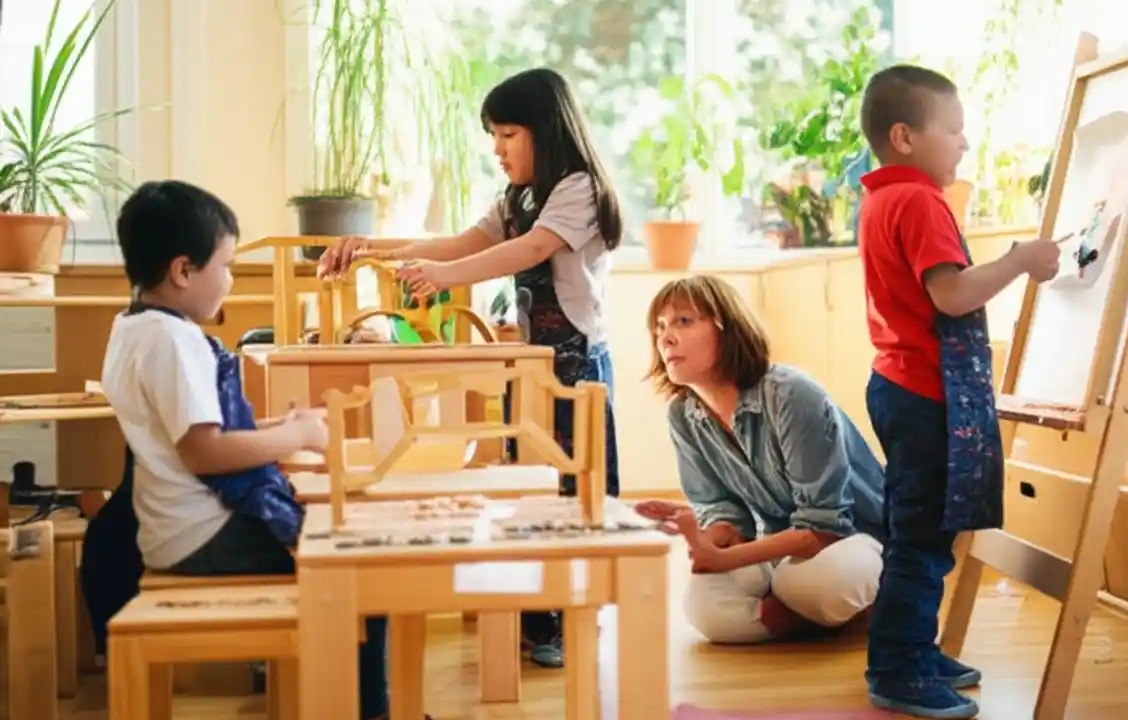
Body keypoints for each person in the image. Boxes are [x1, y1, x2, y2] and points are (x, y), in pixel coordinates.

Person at [317, 67, 623, 668]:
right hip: (530, 365)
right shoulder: (518, 198)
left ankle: (577, 612)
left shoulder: (578, 188)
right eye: (494, 135)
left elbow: (529, 249)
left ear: (545, 129)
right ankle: (542, 619)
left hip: (577, 364)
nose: (497, 148)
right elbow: (460, 243)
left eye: (508, 133)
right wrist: (373, 248)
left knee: (574, 487)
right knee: (532, 485)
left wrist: (446, 278)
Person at [96, 180, 404, 720]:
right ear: (183, 271)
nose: (232, 279)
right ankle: (367, 712)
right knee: (362, 572)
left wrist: (274, 424)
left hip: (174, 527)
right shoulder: (176, 341)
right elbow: (204, 452)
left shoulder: (131, 327)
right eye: (227, 265)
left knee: (338, 544)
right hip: (204, 534)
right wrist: (298, 437)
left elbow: (185, 434)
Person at [856, 65, 1060, 718]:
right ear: (904, 137)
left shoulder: (883, 197)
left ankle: (914, 648)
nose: (964, 143)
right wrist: (1020, 262)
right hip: (923, 396)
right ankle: (897, 667)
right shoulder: (918, 201)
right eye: (954, 129)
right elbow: (951, 293)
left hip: (899, 386)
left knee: (919, 531)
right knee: (921, 539)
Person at [634, 275, 887, 645]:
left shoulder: (791, 394)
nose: (666, 337)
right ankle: (826, 615)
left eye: (683, 321)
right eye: (659, 327)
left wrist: (724, 561)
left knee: (812, 581)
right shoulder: (683, 415)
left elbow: (824, 527)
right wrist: (698, 533)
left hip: (853, 539)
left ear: (727, 328)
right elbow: (725, 513)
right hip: (787, 548)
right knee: (705, 610)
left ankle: (843, 598)